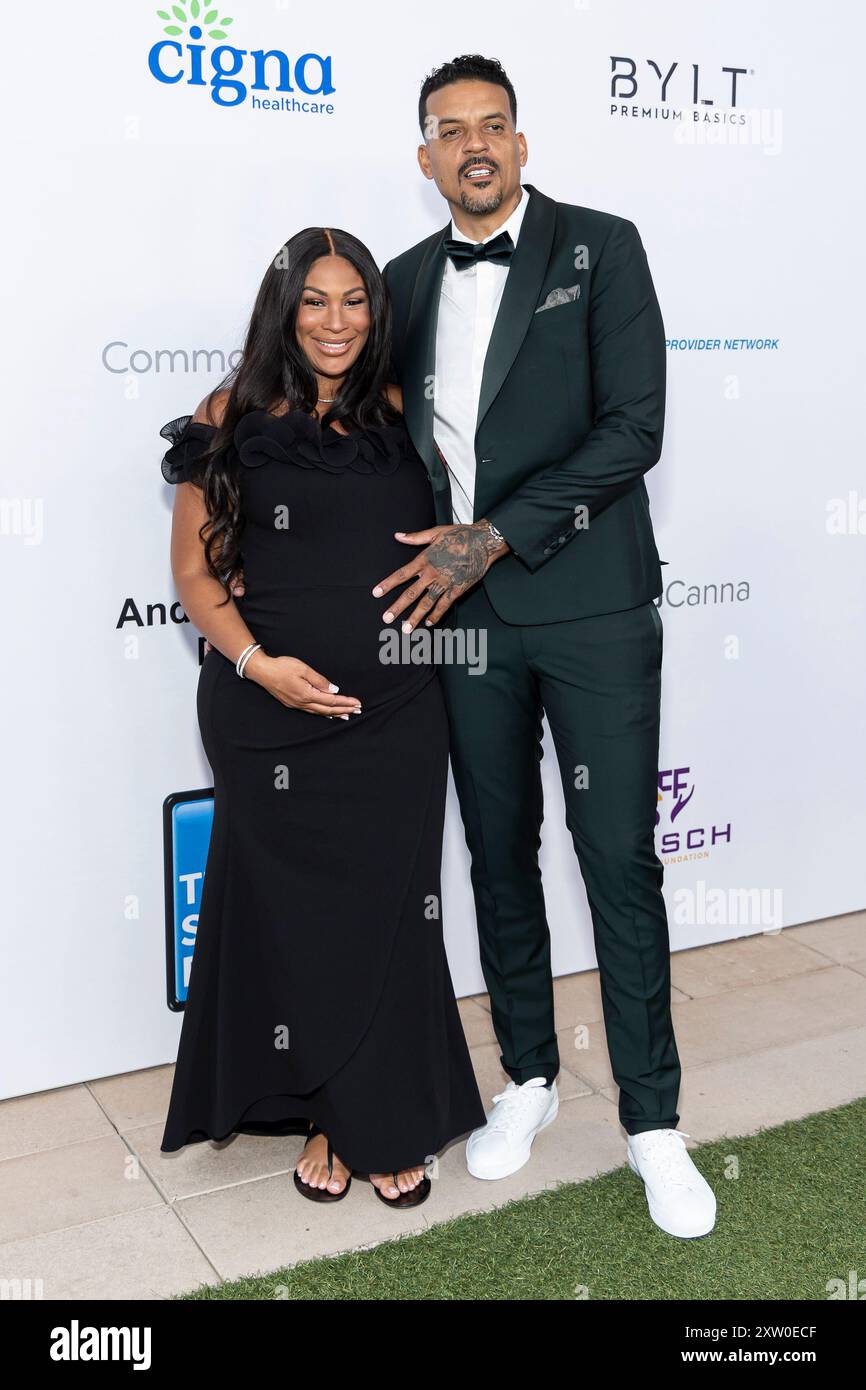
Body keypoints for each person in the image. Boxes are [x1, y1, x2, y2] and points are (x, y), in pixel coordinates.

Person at [374, 54, 716, 1238]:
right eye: (449, 130)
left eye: (493, 126)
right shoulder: (405, 280)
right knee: (497, 852)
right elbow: (349, 410)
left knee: (616, 859)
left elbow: (635, 428)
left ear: (521, 144)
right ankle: (525, 1074)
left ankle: (652, 1122)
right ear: (423, 159)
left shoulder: (600, 247)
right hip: (461, 628)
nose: (473, 145)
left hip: (588, 609)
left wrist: (493, 539)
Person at [158, 226, 486, 1207]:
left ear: (374, 313)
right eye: (314, 301)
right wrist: (261, 665)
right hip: (266, 716)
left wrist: (467, 553)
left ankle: (373, 1119)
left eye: (353, 301)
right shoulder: (231, 412)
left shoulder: (404, 413)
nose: (335, 321)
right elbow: (192, 572)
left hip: (398, 706)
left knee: (389, 911)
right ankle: (326, 1116)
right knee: (296, 920)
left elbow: (482, 515)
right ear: (283, 310)